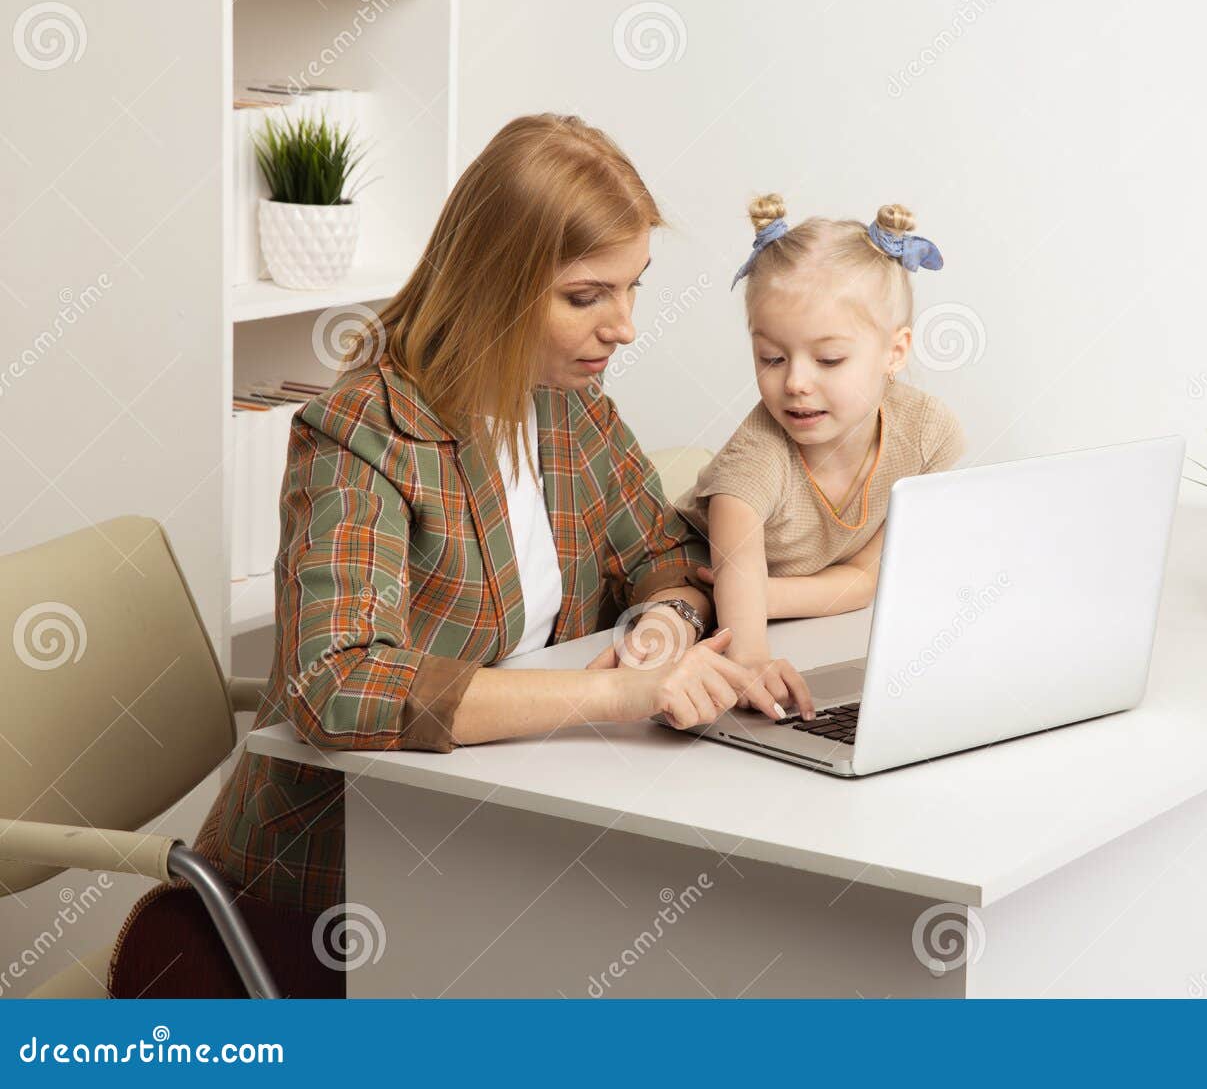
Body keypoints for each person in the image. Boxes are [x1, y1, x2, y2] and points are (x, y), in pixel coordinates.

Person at [193, 114, 807, 918]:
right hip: (336, 882)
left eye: (632, 287)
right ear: (494, 282)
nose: (622, 326)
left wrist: (657, 631)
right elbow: (336, 681)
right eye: (585, 296)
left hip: (499, 839)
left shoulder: (568, 406)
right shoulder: (361, 432)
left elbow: (667, 555)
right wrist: (624, 696)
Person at [675, 194, 965, 720]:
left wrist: (756, 594)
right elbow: (745, 649)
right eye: (772, 358)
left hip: (759, 608)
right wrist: (751, 648)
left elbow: (862, 580)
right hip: (682, 595)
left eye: (829, 359)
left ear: (894, 352)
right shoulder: (756, 462)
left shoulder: (926, 436)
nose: (795, 383)